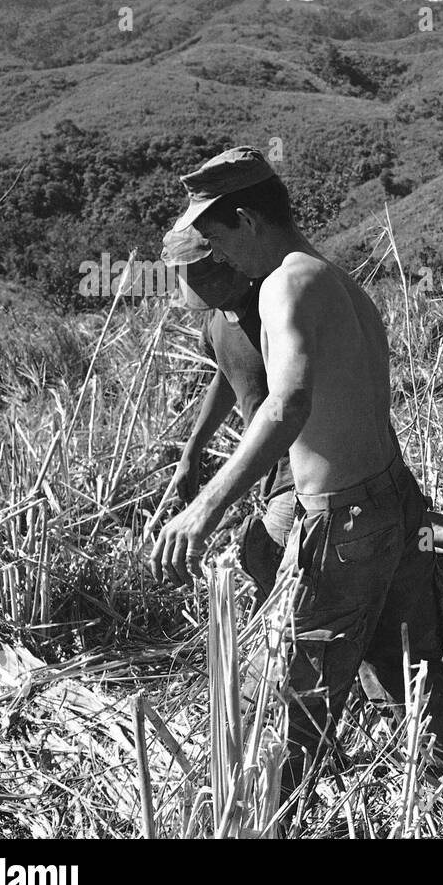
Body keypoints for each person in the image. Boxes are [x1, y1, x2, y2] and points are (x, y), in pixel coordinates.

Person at [151, 146, 443, 807]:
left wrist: (207, 506)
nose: (220, 259)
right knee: (414, 667)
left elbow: (288, 402)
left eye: (218, 240)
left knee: (292, 703)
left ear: (246, 220)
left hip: (345, 521)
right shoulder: (338, 280)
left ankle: (271, 818)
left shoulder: (284, 282)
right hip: (396, 498)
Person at [160, 225, 294, 606]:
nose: (200, 292)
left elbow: (294, 401)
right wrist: (192, 452)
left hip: (301, 472)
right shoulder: (218, 323)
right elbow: (228, 373)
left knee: (271, 561)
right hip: (268, 473)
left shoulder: (273, 305)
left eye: (203, 279)